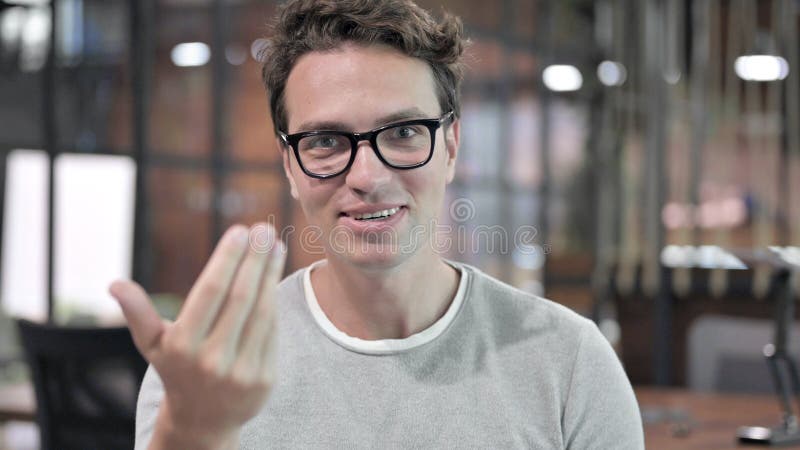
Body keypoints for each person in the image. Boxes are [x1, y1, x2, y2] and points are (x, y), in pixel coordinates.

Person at [110, 0, 644, 448]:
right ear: (290, 166)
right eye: (324, 141)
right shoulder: (207, 373)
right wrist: (190, 433)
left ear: (451, 147)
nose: (367, 175)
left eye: (404, 132)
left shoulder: (567, 361)